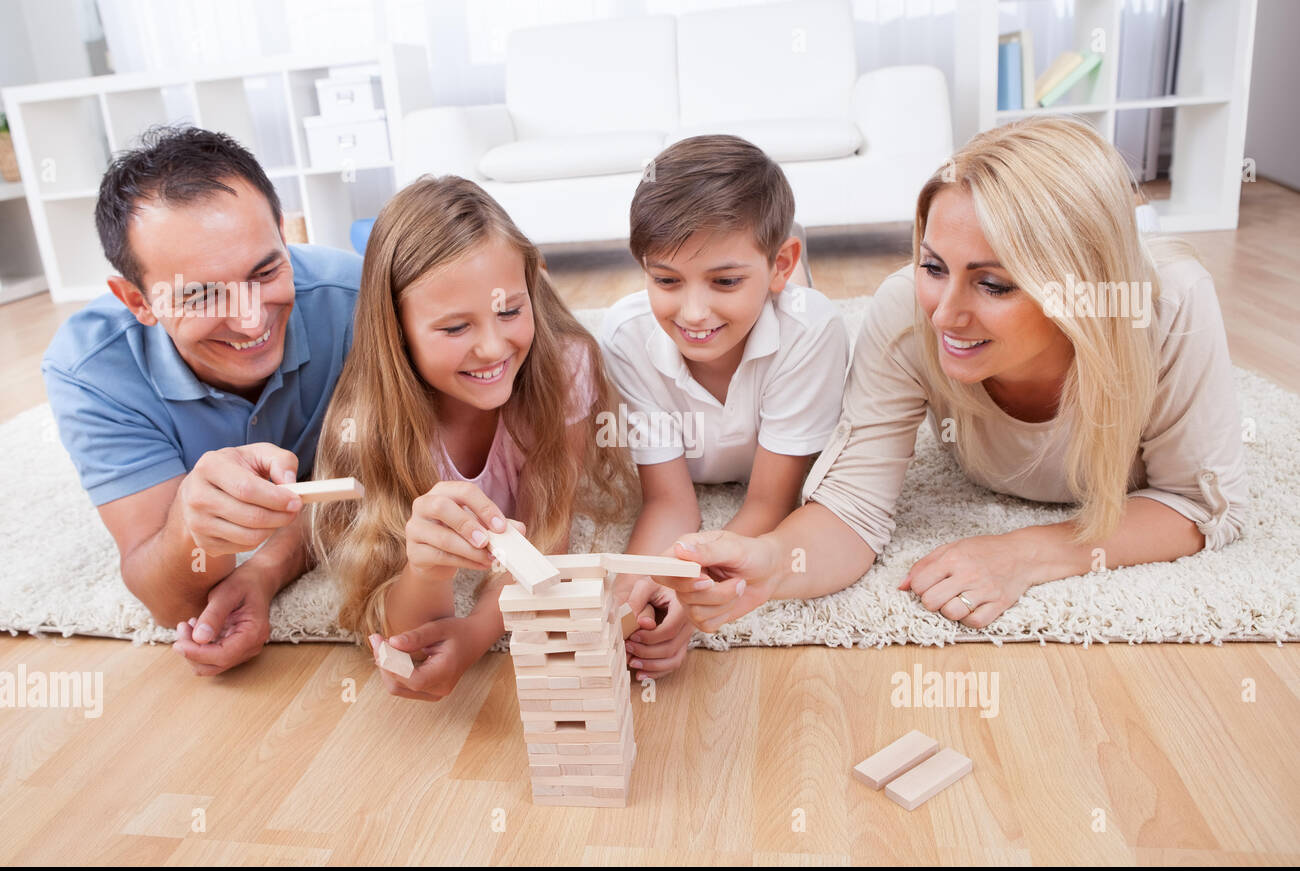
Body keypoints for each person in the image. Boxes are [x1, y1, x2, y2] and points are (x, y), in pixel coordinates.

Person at [656, 116, 1248, 632]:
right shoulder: (906, 311)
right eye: (934, 266)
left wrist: (1027, 553)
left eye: (993, 284)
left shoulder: (1169, 305)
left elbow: (1198, 503)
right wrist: (772, 565)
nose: (944, 313)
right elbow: (852, 507)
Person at [40, 126, 361, 674]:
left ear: (284, 235)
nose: (251, 320)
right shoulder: (89, 370)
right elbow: (168, 601)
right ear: (137, 300)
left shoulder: (359, 300)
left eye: (265, 271)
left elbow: (386, 480)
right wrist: (192, 523)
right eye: (202, 294)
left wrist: (262, 570)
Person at [309, 175, 635, 702]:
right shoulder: (373, 417)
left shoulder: (565, 367)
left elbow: (545, 538)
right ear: (396, 331)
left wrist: (478, 632)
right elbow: (399, 626)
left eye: (510, 311)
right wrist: (427, 570)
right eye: (456, 328)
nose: (492, 348)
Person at [599, 135, 848, 678]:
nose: (692, 312)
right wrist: (632, 593)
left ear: (781, 263)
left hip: (789, 328)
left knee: (795, 310)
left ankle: (787, 280)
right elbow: (669, 501)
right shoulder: (626, 334)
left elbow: (768, 501)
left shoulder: (813, 332)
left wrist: (692, 599)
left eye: (725, 280)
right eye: (665, 280)